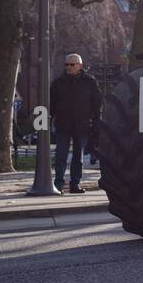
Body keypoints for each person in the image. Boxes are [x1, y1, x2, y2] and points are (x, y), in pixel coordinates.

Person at [49, 53, 102, 193]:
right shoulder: (58, 83)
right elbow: (51, 104)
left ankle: (75, 184)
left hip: (82, 124)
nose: (69, 67)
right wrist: (49, 119)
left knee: (78, 156)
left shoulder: (90, 82)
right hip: (63, 124)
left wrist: (96, 120)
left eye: (72, 64)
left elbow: (97, 103)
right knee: (61, 154)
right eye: (66, 64)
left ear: (80, 66)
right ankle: (58, 184)